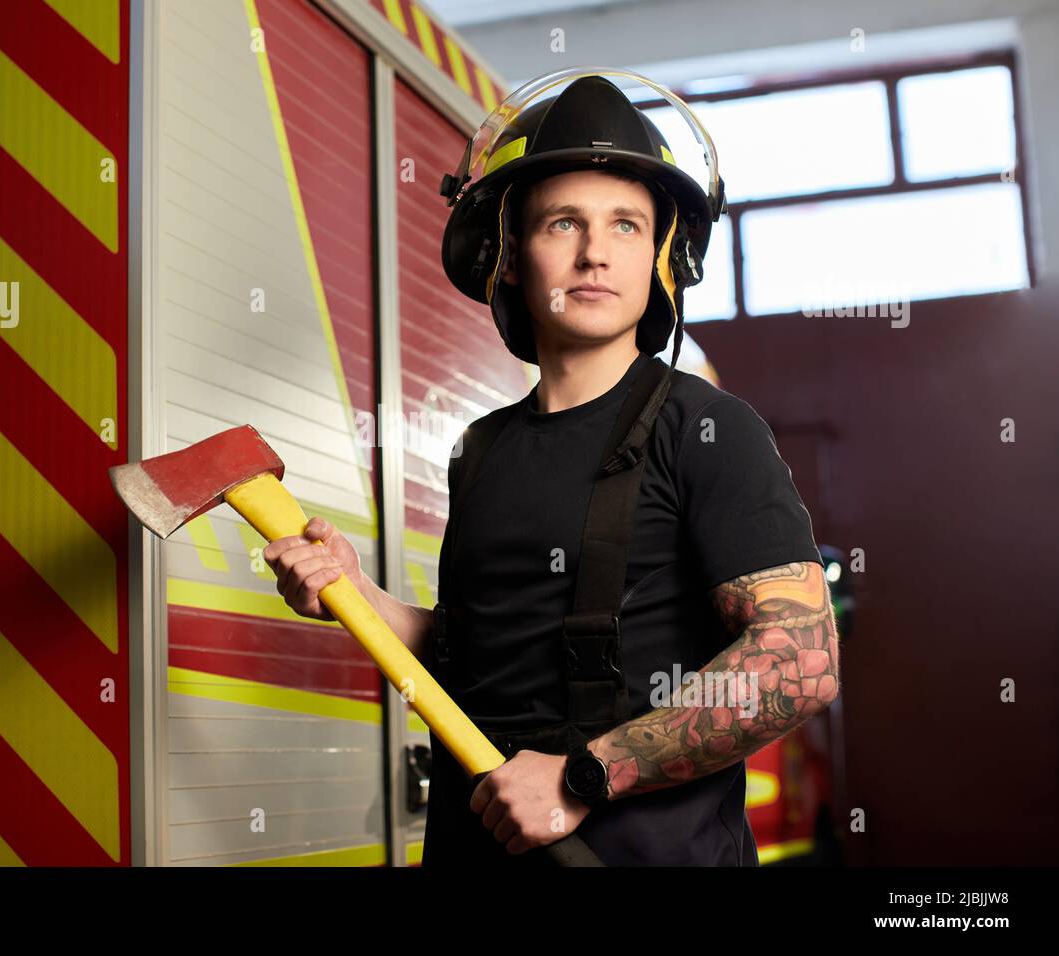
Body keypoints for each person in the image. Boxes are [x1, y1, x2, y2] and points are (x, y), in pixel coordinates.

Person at [264, 70, 840, 867]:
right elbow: (472, 659)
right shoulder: (482, 449)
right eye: (564, 223)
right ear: (506, 254)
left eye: (628, 226)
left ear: (665, 258)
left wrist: (583, 777)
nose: (596, 252)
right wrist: (355, 597)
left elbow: (798, 663)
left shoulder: (709, 429)